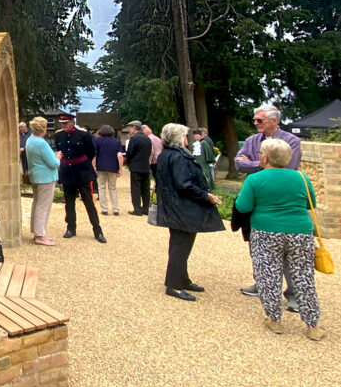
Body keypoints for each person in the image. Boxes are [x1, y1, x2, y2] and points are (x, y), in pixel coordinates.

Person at [233, 138, 326, 340]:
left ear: (265, 158)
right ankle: (312, 325)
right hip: (300, 232)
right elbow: (311, 203)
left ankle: (274, 319)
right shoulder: (301, 177)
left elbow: (243, 206)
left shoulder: (255, 179)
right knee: (303, 277)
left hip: (266, 231)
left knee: (269, 275)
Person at [235, 104, 304, 305]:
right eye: (254, 120)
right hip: (257, 200)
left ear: (275, 121)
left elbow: (287, 168)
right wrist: (263, 164)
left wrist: (254, 164)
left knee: (288, 251)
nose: (255, 123)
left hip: (281, 200)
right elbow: (238, 164)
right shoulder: (252, 140)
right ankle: (262, 283)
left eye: (260, 120)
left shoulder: (292, 141)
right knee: (257, 246)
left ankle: (293, 294)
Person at [153, 123, 224, 301]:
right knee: (180, 246)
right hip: (182, 207)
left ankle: (182, 279)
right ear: (178, 137)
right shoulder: (178, 156)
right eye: (185, 136)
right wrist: (206, 195)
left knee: (180, 244)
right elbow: (183, 184)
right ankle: (174, 285)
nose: (188, 139)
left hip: (174, 205)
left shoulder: (167, 154)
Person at [53, 111, 106, 243]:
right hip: (67, 172)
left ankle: (97, 230)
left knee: (89, 202)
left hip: (82, 172)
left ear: (73, 123)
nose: (64, 125)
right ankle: (71, 228)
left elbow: (91, 152)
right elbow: (59, 151)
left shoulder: (83, 135)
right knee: (69, 203)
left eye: (66, 123)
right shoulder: (58, 135)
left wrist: (83, 163)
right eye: (62, 123)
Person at [25, 116, 60, 246]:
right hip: (46, 178)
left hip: (36, 176)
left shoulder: (30, 140)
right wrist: (58, 157)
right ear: (43, 129)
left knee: (37, 204)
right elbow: (53, 163)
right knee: (43, 206)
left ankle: (37, 232)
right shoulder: (41, 143)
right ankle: (40, 235)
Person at [93, 125, 124, 216]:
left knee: (101, 187)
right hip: (113, 167)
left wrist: (94, 166)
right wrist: (120, 169)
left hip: (100, 166)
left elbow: (94, 155)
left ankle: (104, 209)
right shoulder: (117, 141)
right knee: (112, 188)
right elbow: (120, 156)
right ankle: (115, 209)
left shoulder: (96, 141)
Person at [123, 120, 153, 215]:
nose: (129, 130)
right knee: (145, 189)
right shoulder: (147, 139)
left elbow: (130, 152)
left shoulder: (134, 139)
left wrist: (128, 161)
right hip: (145, 166)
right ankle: (146, 208)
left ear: (134, 128)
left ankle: (137, 209)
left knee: (135, 188)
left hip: (136, 166)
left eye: (130, 127)